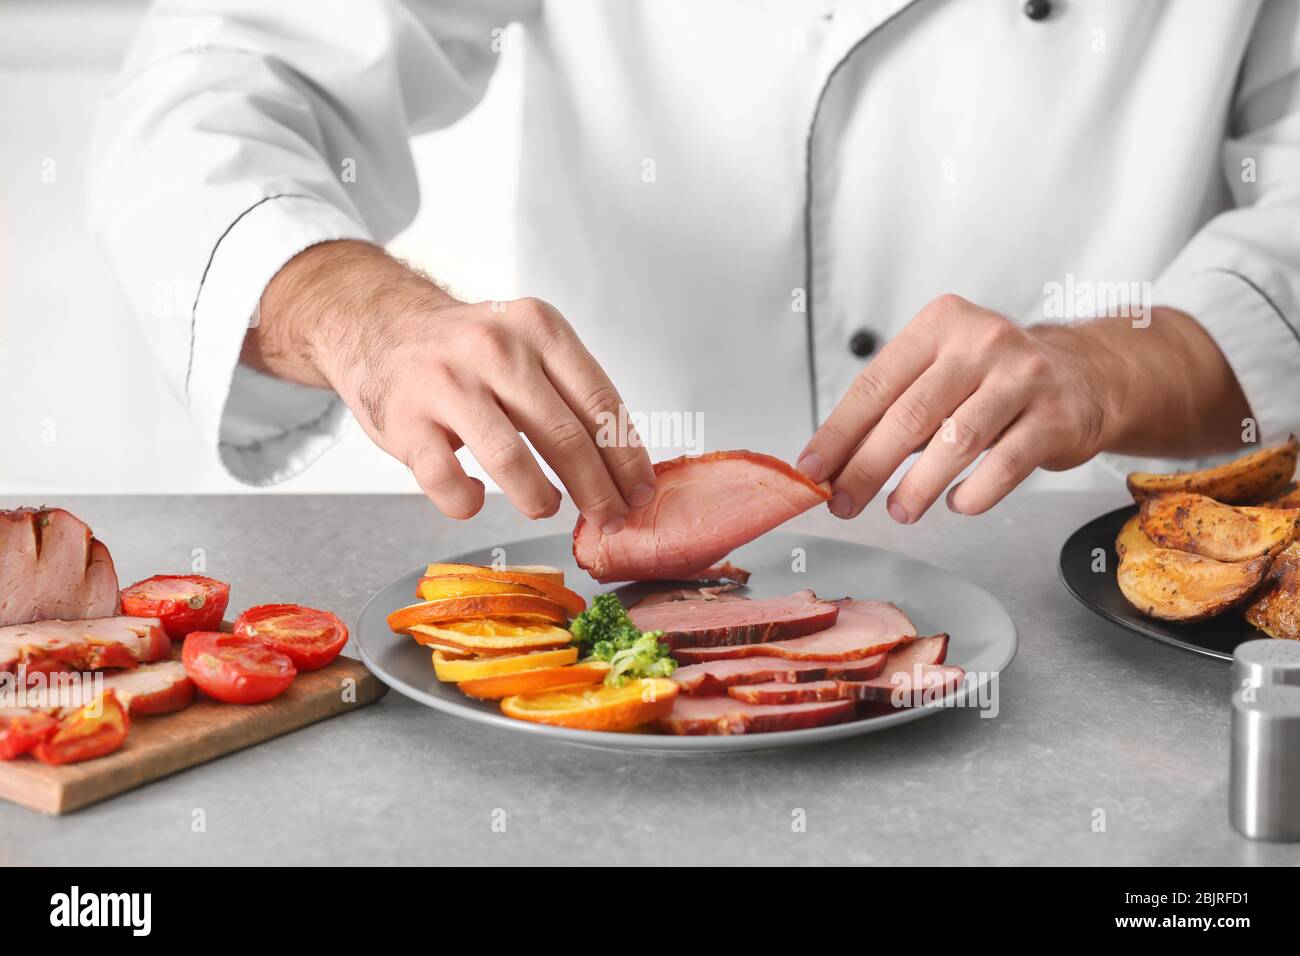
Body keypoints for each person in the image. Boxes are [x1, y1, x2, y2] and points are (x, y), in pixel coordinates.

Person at [90, 0, 1300, 533]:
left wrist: (1125, 360)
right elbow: (220, 72)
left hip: (1102, 599)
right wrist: (361, 313)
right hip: (625, 621)